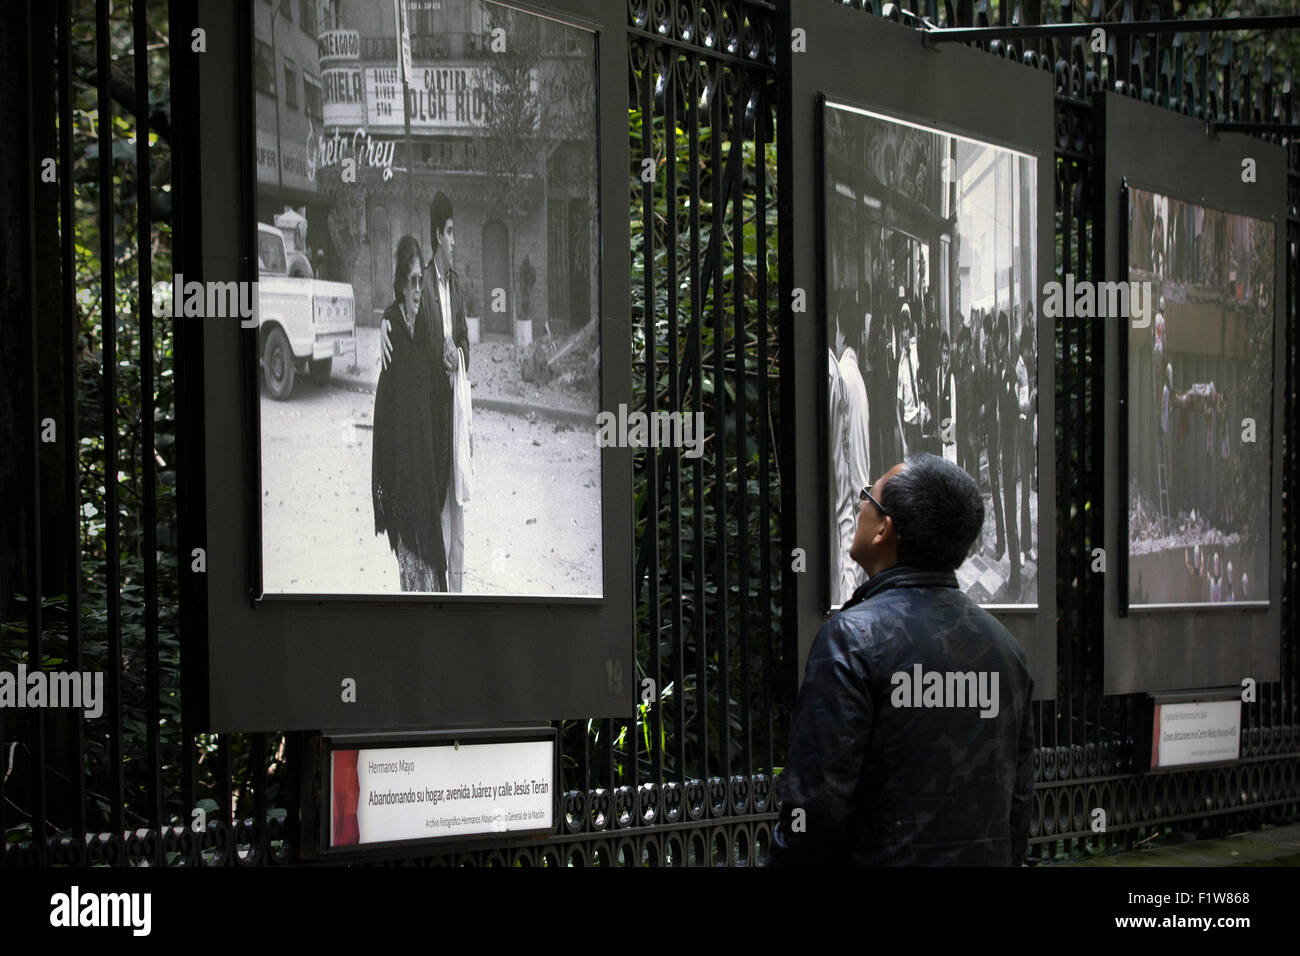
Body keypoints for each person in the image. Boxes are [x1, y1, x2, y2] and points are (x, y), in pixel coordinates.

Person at [769, 453, 1035, 866]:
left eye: (866, 499)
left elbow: (817, 806)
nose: (859, 507)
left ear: (883, 529)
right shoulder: (1005, 649)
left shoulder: (852, 639)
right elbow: (1016, 805)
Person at [381, 192, 471, 590]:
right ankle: (442, 598)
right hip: (432, 426)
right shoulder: (425, 287)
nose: (455, 240)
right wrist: (385, 320)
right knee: (439, 522)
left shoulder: (456, 287)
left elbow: (466, 341)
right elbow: (404, 309)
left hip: (455, 418)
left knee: (460, 523)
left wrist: (459, 356)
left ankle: (460, 599)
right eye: (450, 232)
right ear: (438, 234)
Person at [372, 236, 447, 591]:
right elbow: (383, 417)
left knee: (433, 573)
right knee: (411, 578)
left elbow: (437, 397)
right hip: (404, 477)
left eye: (422, 281)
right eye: (413, 281)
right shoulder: (394, 336)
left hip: (426, 474)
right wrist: (385, 320)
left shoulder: (427, 331)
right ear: (401, 285)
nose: (419, 288)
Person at [996, 312, 1021, 593]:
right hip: (1006, 449)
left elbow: (1011, 418)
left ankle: (1015, 574)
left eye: (1000, 337)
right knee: (1009, 511)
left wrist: (1007, 456)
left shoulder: (1009, 372)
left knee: (1012, 513)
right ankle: (1014, 570)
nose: (997, 341)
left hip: (1010, 449)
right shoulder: (1004, 369)